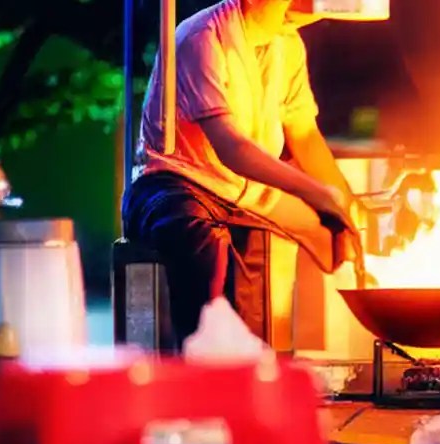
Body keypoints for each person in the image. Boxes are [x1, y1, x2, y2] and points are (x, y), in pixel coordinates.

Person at [122, 0, 363, 345]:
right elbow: (232, 148)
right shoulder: (200, 37)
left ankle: (267, 364)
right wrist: (316, 192)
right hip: (173, 186)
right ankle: (213, 363)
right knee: (205, 244)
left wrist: (347, 209)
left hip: (240, 190)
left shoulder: (288, 45)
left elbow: (305, 136)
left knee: (333, 234)